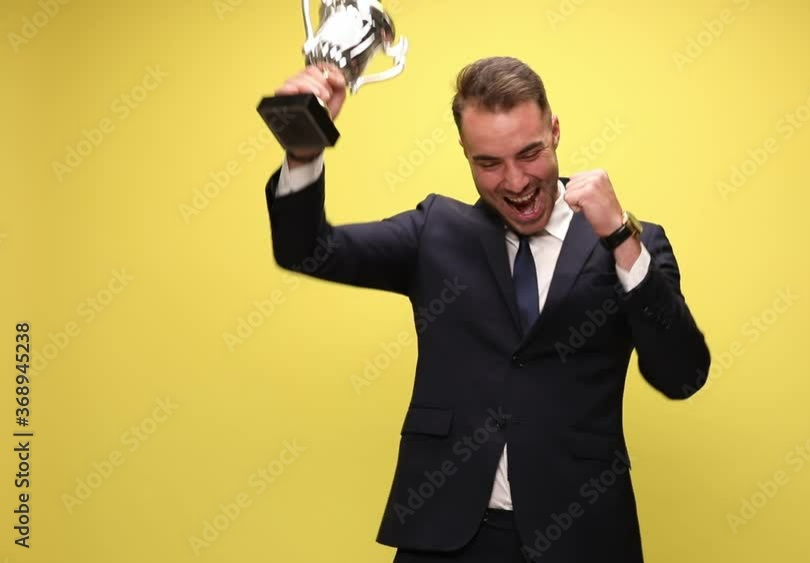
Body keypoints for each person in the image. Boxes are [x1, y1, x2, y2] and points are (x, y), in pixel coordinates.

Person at [263, 56, 711, 563]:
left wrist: (619, 236)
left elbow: (683, 375)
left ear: (555, 132)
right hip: (447, 537)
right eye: (489, 163)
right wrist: (302, 148)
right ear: (465, 153)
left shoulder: (632, 243)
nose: (516, 182)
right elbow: (308, 249)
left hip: (582, 537)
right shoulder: (436, 232)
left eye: (530, 153)